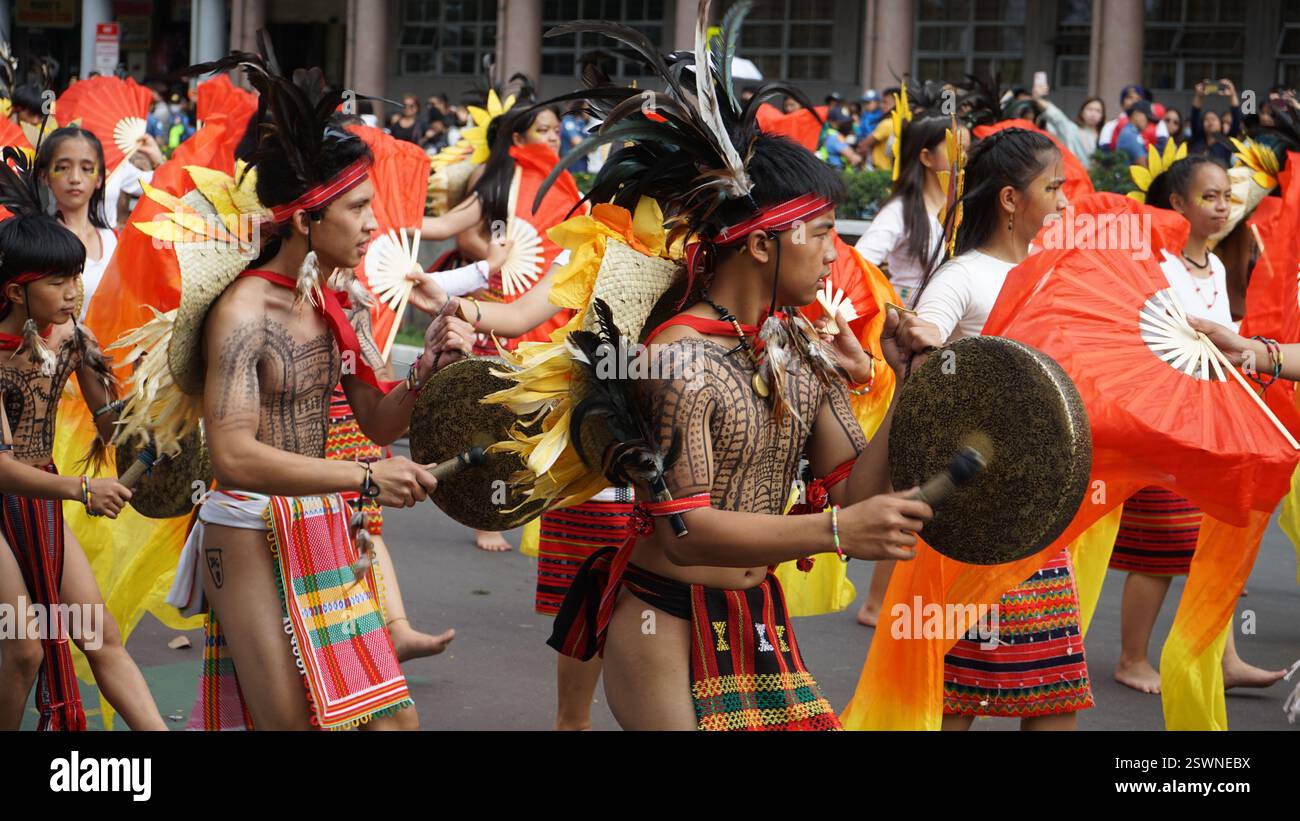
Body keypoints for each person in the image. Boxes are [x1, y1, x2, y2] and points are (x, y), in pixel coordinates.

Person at [519, 10, 942, 731]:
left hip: (755, 614)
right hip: (662, 617)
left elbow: (851, 479)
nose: (835, 255)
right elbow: (689, 531)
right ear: (757, 244)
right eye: (817, 235)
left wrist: (906, 381)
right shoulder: (676, 360)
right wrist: (839, 532)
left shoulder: (800, 344)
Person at [133, 47, 473, 730]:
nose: (376, 223)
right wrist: (365, 478)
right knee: (289, 722)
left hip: (320, 517)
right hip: (247, 528)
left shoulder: (330, 301)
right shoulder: (241, 313)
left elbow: (377, 422)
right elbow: (231, 456)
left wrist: (426, 366)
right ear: (305, 218)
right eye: (358, 207)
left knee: (390, 720)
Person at [911, 128, 1094, 729]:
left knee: (1053, 689)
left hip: (1043, 504)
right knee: (956, 689)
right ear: (1011, 200)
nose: (1065, 203)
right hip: (976, 508)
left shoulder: (1057, 273)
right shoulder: (963, 276)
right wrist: (924, 341)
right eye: (1054, 189)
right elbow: (927, 341)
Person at [1110, 154, 1287, 695]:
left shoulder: (1219, 267)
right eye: (1208, 197)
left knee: (1212, 542)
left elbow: (1229, 339)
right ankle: (1132, 658)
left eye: (1226, 197)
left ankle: (1223, 656)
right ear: (1177, 204)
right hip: (1164, 424)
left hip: (1209, 422)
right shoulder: (1158, 270)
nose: (1220, 207)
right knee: (1160, 549)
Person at [0, 147, 162, 731]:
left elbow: (112, 424)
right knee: (21, 646)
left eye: (76, 277)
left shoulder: (73, 338)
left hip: (40, 499)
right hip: (22, 492)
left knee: (101, 634)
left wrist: (166, 413)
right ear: (17, 291)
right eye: (58, 281)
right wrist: (80, 488)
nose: (74, 291)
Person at [420, 103, 579, 554]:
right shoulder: (495, 179)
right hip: (494, 304)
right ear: (516, 138)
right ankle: (484, 513)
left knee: (535, 412)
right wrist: (494, 258)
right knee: (491, 413)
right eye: (542, 130)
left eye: (555, 130)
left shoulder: (562, 186)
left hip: (537, 304)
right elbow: (458, 232)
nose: (552, 138)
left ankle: (517, 500)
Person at [1030, 77, 1102, 168]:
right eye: (1090, 109)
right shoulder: (1072, 130)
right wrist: (1037, 98)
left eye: (1098, 111)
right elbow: (1057, 117)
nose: (1093, 113)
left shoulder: (1106, 134)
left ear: (1102, 115)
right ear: (1082, 112)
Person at [1189, 79, 1241, 165]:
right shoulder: (1197, 140)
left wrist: (1232, 95)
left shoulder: (1227, 143)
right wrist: (1199, 96)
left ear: (1221, 124)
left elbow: (1236, 120)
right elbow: (1195, 114)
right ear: (1202, 125)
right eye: (1206, 119)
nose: (1210, 121)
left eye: (1213, 119)